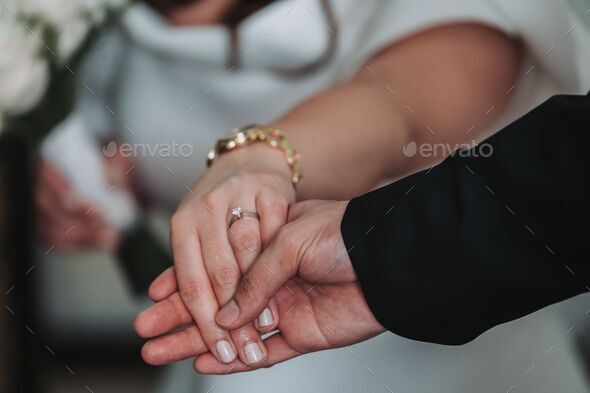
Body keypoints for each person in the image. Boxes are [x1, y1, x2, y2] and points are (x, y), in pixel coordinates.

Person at [36, 0, 590, 391]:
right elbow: (125, 165)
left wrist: (260, 157)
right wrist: (95, 201)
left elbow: (399, 111)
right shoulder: (99, 38)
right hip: (235, 362)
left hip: (451, 362)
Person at [136, 92, 590, 372]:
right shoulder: (101, 23)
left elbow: (401, 102)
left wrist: (256, 157)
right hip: (295, 307)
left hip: (441, 330)